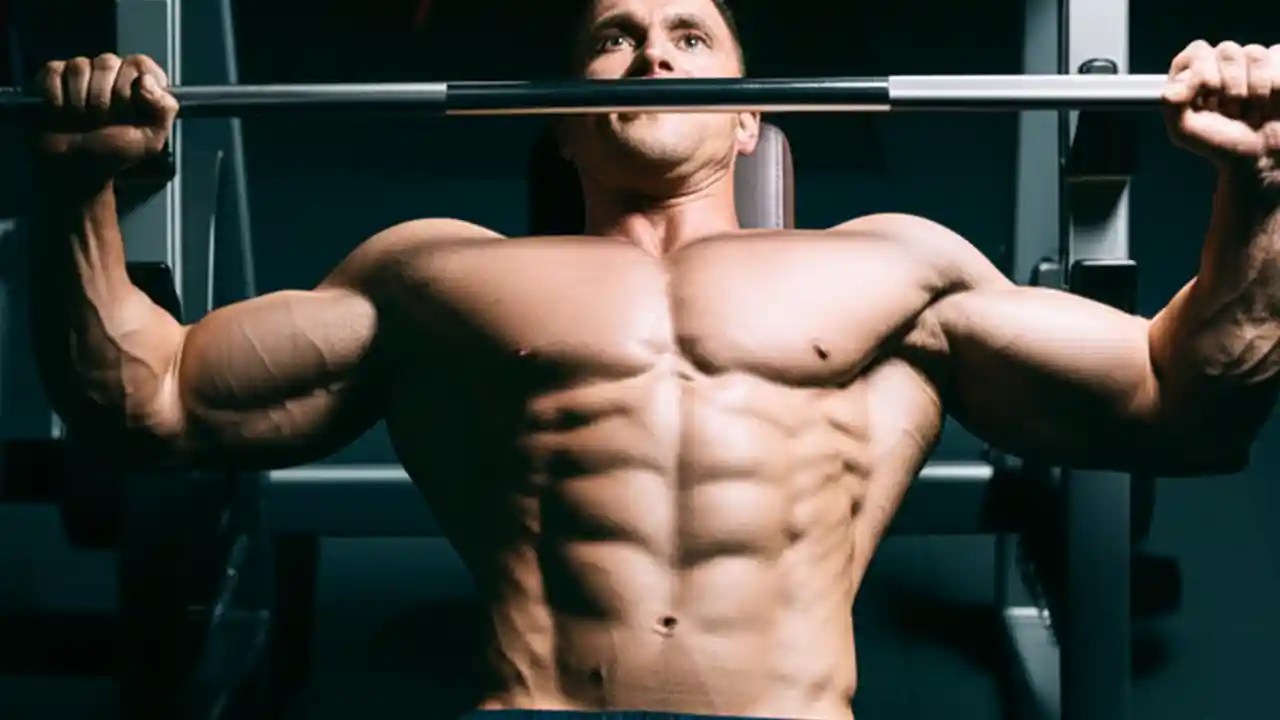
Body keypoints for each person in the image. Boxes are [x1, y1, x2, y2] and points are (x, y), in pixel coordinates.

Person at [24, 0, 1280, 718]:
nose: (649, 51)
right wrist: (80, 189)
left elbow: (1186, 408)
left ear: (748, 117)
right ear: (559, 116)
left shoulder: (896, 267)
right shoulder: (432, 275)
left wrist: (1257, 187)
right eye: (612, 37)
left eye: (689, 34)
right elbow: (146, 401)